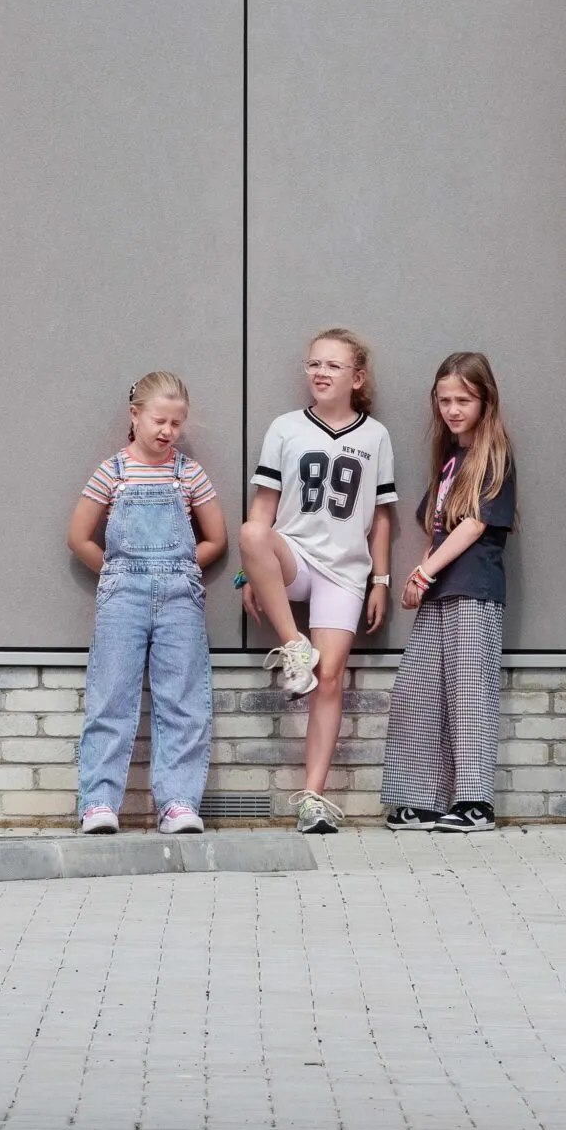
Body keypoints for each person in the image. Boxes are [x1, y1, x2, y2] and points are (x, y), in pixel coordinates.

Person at [236, 328, 396, 835]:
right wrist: (249, 572)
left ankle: (312, 798)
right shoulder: (285, 428)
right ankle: (293, 646)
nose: (322, 373)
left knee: (330, 680)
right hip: (295, 559)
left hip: (345, 572)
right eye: (314, 364)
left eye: (333, 365)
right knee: (250, 531)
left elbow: (384, 518)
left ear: (358, 376)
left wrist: (382, 581)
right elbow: (263, 509)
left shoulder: (376, 436)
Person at [70, 371, 227, 836]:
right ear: (134, 415)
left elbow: (216, 538)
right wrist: (119, 573)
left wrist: (179, 568)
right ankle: (99, 802)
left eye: (176, 424)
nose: (168, 431)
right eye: (160, 420)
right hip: (123, 595)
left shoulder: (188, 473)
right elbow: (78, 537)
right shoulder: (112, 471)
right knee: (111, 696)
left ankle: (178, 802)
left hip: (180, 595)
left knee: (182, 700)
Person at [382, 351, 520, 834]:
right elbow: (437, 528)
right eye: (444, 400)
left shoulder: (493, 455)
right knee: (420, 692)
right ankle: (422, 798)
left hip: (474, 592)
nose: (453, 409)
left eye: (464, 399)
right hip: (442, 592)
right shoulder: (450, 461)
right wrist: (422, 576)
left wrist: (422, 574)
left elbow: (474, 526)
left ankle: (474, 802)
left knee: (469, 695)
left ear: (486, 401)